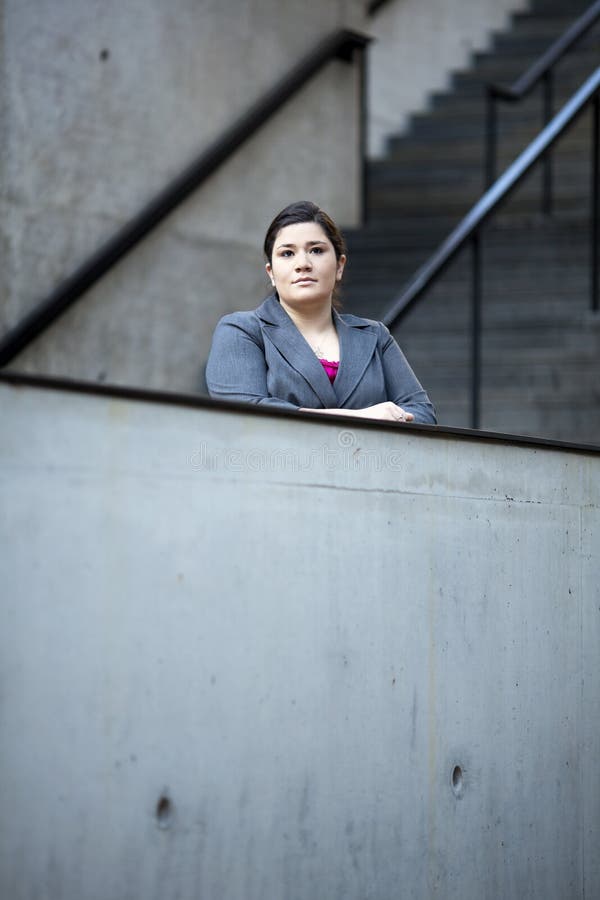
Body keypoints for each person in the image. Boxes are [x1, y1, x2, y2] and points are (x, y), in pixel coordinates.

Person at [206, 201, 436, 425]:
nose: (303, 264)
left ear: (339, 266)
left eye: (316, 250)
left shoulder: (375, 336)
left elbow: (422, 414)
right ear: (271, 273)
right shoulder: (242, 331)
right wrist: (365, 418)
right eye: (287, 253)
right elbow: (245, 414)